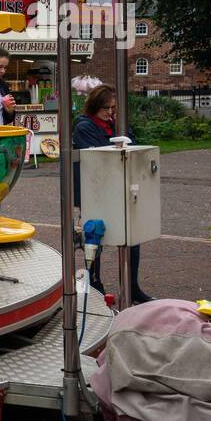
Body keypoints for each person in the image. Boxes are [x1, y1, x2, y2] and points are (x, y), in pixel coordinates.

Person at [71, 84, 151, 304]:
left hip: (119, 189)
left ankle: (132, 287)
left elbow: (132, 146)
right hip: (94, 191)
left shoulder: (117, 124)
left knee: (131, 237)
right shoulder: (84, 126)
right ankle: (95, 285)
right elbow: (99, 157)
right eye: (105, 108)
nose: (110, 112)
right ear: (95, 106)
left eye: (113, 107)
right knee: (95, 237)